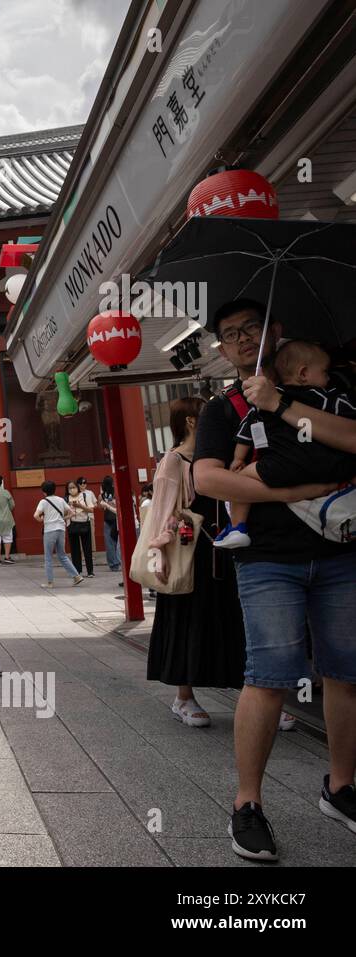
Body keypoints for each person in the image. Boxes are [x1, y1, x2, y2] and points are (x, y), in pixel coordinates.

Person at [192, 298, 356, 862]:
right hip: (267, 559)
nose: (240, 341)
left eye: (250, 329)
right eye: (229, 335)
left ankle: (340, 786)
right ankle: (247, 805)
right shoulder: (224, 409)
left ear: (274, 332)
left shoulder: (327, 388)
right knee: (267, 676)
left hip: (340, 551)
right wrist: (291, 493)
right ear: (221, 349)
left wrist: (283, 402)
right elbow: (211, 480)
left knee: (347, 671)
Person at [143, 397, 277, 731]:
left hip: (226, 547)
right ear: (191, 422)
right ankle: (183, 696)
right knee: (187, 619)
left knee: (233, 618)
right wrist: (158, 551)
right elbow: (160, 511)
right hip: (190, 551)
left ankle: (257, 696)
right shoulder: (174, 461)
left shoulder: (222, 456)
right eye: (205, 416)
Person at [216, 339, 356, 549]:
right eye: (326, 372)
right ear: (303, 373)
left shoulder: (264, 400)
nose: (329, 378)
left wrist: (237, 459)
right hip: (329, 466)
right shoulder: (332, 398)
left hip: (284, 466)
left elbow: (246, 431)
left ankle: (238, 527)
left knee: (241, 479)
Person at [34, 480, 83, 589]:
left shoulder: (43, 501)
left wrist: (42, 519)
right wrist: (62, 519)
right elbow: (71, 513)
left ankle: (50, 582)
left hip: (49, 530)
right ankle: (76, 576)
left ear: (44, 491)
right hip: (61, 529)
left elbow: (36, 516)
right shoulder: (61, 500)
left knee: (48, 557)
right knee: (62, 555)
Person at [65, 480, 95, 578]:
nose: (72, 489)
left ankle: (90, 571)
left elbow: (91, 510)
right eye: (70, 488)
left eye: (73, 487)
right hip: (72, 525)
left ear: (77, 487)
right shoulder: (65, 499)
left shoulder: (85, 496)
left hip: (84, 524)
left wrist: (80, 505)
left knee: (87, 548)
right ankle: (77, 571)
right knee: (75, 550)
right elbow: (63, 513)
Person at [99, 476, 121, 572]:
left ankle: (113, 564)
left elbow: (101, 507)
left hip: (107, 520)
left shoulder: (102, 495)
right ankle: (120, 560)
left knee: (109, 543)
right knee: (118, 542)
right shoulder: (117, 493)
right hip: (116, 519)